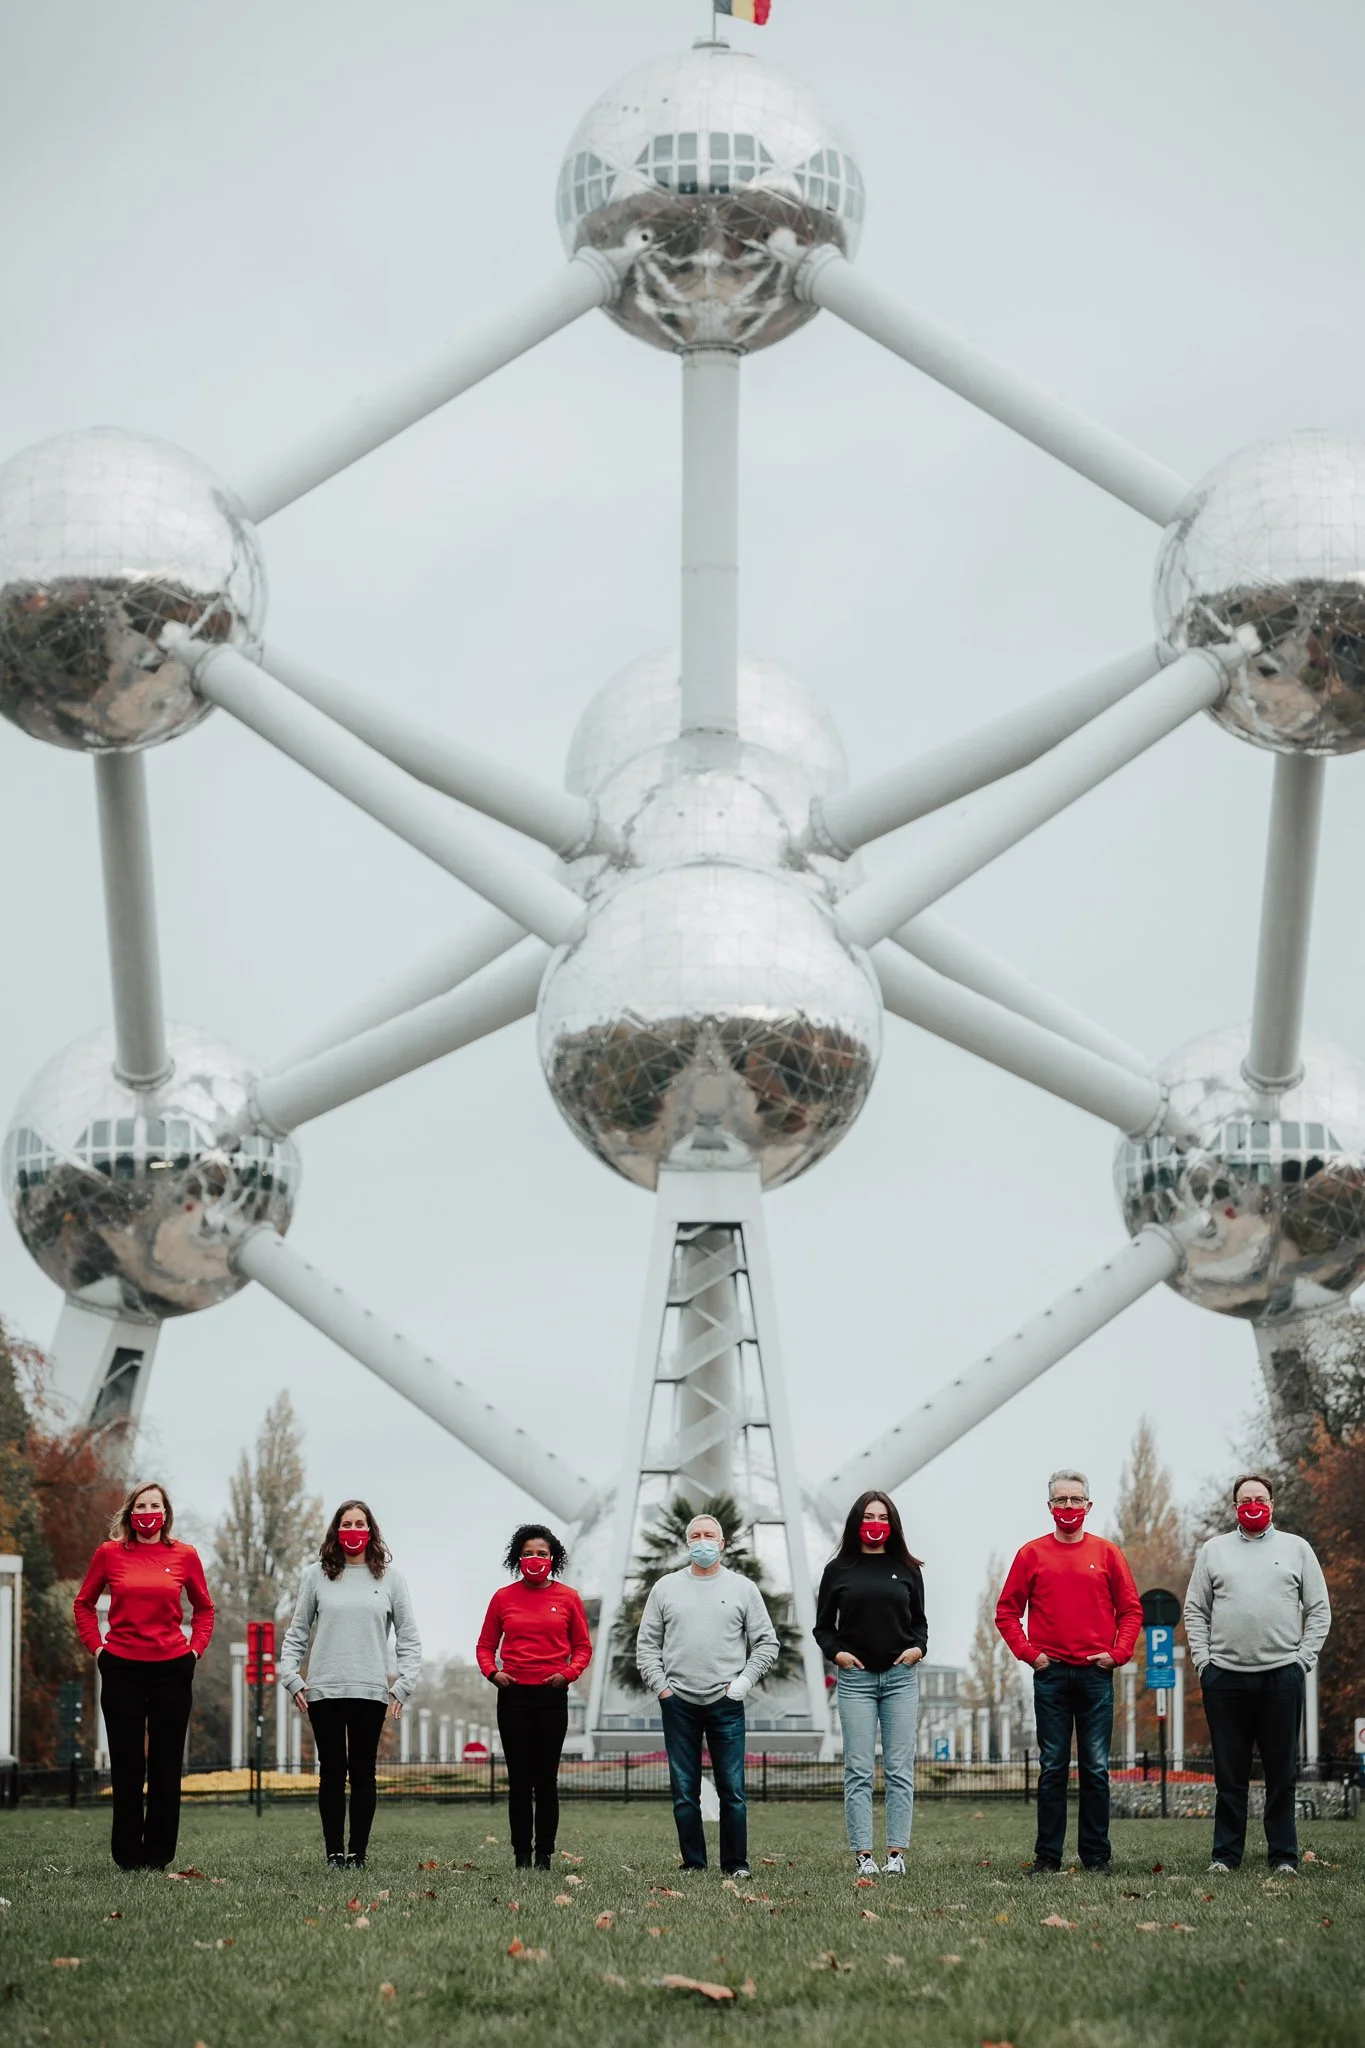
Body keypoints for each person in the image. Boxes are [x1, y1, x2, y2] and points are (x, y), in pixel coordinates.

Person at [995, 1468, 1141, 1876]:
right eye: (1061, 1499)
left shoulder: (1108, 1554)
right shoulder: (1031, 1555)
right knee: (1053, 1768)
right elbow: (1006, 1612)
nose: (1069, 1506)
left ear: (1088, 1505)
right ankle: (1048, 1857)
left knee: (1095, 1768)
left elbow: (1131, 1610)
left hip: (1096, 1675)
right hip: (1052, 1675)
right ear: (1049, 1506)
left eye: (1076, 1499)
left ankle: (1096, 1858)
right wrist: (1030, 1655)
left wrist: (1119, 1654)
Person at [1184, 1472, 1331, 1877]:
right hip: (1224, 1678)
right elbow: (1195, 1609)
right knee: (1229, 1776)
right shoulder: (1214, 1550)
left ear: (1272, 1504)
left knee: (1281, 1774)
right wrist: (1203, 1662)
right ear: (1235, 1507)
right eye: (1246, 1500)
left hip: (1281, 1677)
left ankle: (1283, 1856)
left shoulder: (1297, 1549)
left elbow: (1319, 1609)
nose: (1254, 1505)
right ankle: (1225, 1857)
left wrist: (1303, 1660)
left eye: (1260, 1499)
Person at [73, 1480, 214, 1873]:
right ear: (130, 1513)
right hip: (121, 1669)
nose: (148, 1512)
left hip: (172, 1670)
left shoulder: (185, 1555)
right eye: (141, 1506)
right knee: (127, 1764)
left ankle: (157, 1855)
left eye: (155, 1505)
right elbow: (83, 1604)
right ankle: (127, 1855)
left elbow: (204, 1608)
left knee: (166, 1766)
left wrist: (194, 1651)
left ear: (165, 1513)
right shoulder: (109, 1553)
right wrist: (98, 1649)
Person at [278, 1498, 421, 1871]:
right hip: (323, 1690)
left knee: (363, 1772)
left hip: (370, 1690)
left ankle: (357, 1854)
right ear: (336, 1530)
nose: (353, 1531)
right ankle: (333, 1855)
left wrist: (404, 1683)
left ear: (370, 1531)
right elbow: (297, 1631)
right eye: (347, 1524)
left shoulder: (390, 1579)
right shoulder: (315, 1576)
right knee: (331, 1772)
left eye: (360, 1524)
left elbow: (408, 1636)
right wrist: (291, 1677)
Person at [636, 1511, 779, 1879]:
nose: (702, 1541)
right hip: (678, 1702)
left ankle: (735, 1864)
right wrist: (662, 1687)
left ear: (722, 1543)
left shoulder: (743, 1589)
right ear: (687, 1543)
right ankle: (694, 1863)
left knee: (732, 1790)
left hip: (726, 1703)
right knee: (685, 1792)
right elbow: (647, 1645)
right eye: (696, 1536)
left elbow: (767, 1643)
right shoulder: (665, 1588)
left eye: (709, 1535)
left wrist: (742, 1684)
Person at [813, 1490, 927, 1876]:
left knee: (899, 1769)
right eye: (868, 1517)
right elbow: (823, 1627)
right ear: (856, 1523)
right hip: (855, 1681)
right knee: (859, 1770)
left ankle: (896, 1854)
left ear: (891, 1524)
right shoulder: (838, 1571)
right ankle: (864, 1856)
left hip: (900, 1679)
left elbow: (920, 1623)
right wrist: (838, 1654)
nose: (875, 1524)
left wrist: (918, 1649)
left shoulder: (908, 1569)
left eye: (882, 1518)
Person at [476, 1523, 592, 1871]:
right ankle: (522, 1856)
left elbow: (583, 1647)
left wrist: (568, 1674)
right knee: (519, 1780)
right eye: (528, 1554)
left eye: (542, 1553)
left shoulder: (568, 1598)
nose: (535, 1559)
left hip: (552, 1696)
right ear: (518, 1558)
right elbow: (485, 1645)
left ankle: (544, 1855)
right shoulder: (502, 1598)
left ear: (553, 1558)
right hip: (513, 1696)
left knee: (546, 1781)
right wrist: (493, 1673)